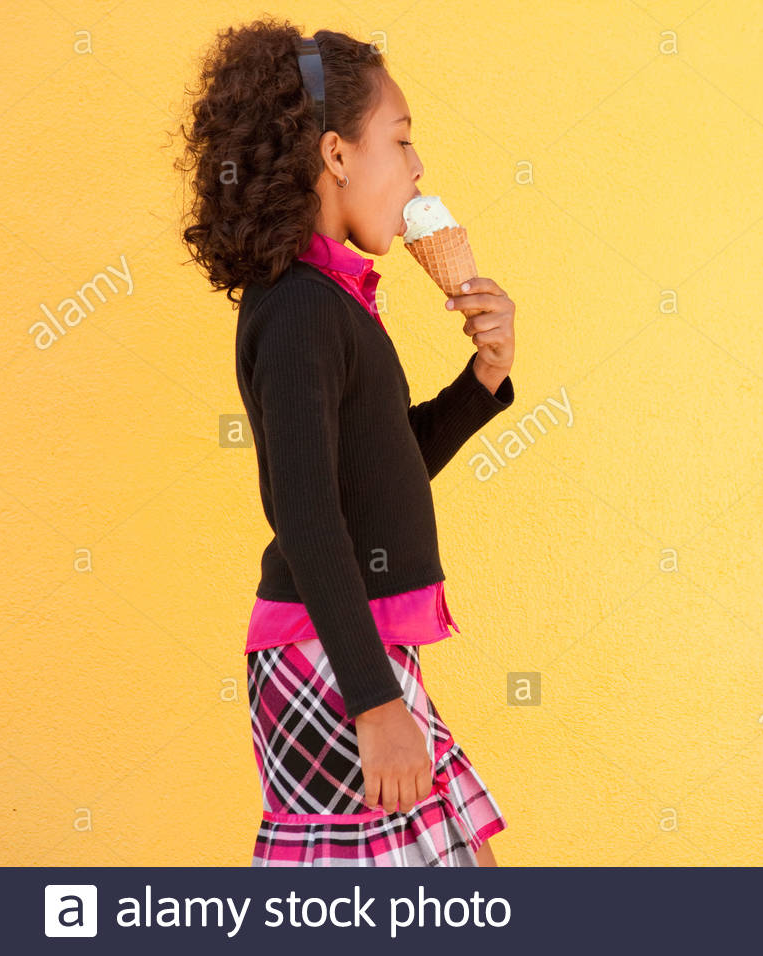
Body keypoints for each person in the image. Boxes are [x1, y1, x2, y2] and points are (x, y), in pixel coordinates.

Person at [175, 18, 517, 865]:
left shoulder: (334, 301)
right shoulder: (298, 311)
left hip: (350, 650)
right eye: (400, 141)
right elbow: (307, 513)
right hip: (332, 659)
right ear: (335, 156)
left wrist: (483, 377)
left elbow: (379, 472)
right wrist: (373, 701)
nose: (417, 167)